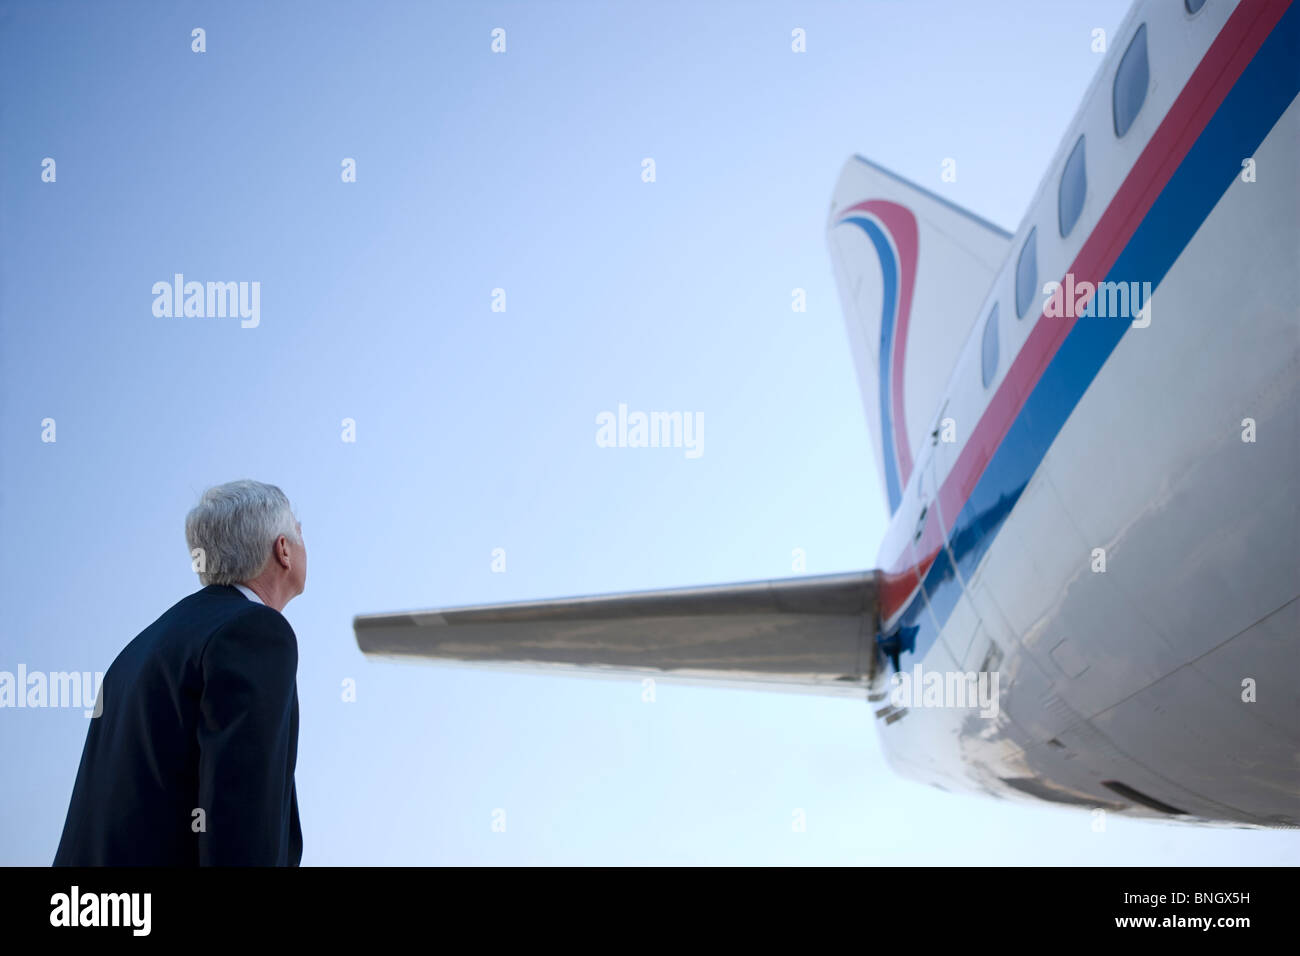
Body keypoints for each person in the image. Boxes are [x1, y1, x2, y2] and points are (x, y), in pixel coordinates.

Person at [54, 480, 306, 866]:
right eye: (299, 531)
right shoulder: (255, 634)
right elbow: (241, 817)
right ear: (283, 550)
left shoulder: (134, 653)